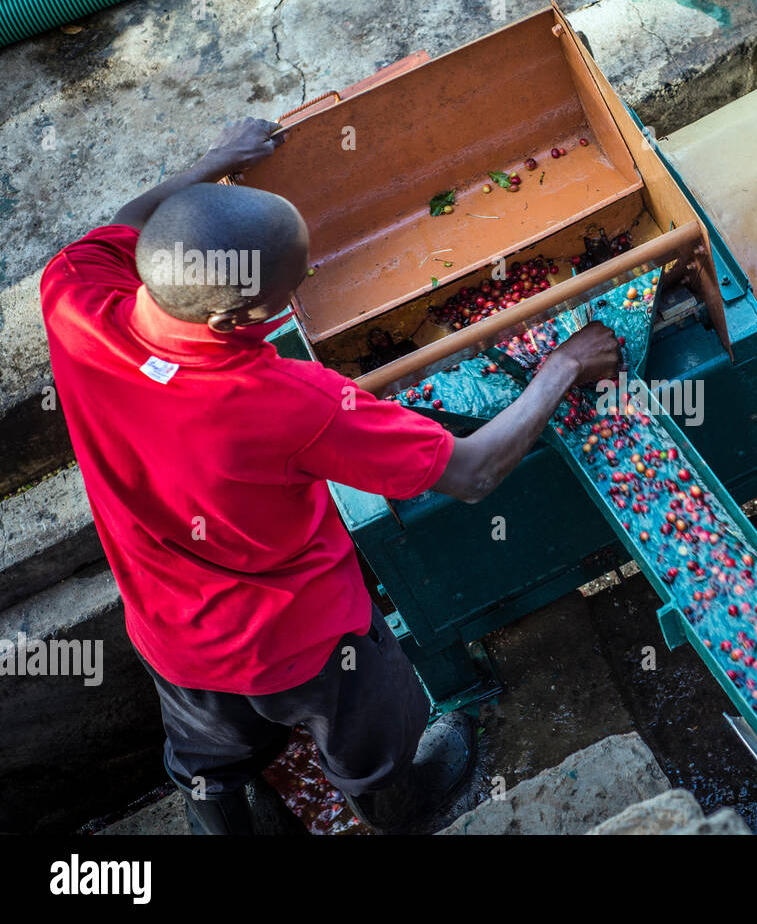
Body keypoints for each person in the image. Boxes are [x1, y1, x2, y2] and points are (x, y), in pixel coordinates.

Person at [40, 117, 621, 834]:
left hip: (168, 627)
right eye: (288, 292)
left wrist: (213, 159)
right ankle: (399, 807)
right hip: (304, 642)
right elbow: (472, 472)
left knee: (208, 755)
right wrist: (562, 366)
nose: (296, 298)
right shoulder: (288, 401)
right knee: (373, 739)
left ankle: (223, 812)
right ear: (233, 318)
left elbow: (129, 222)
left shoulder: (71, 295)